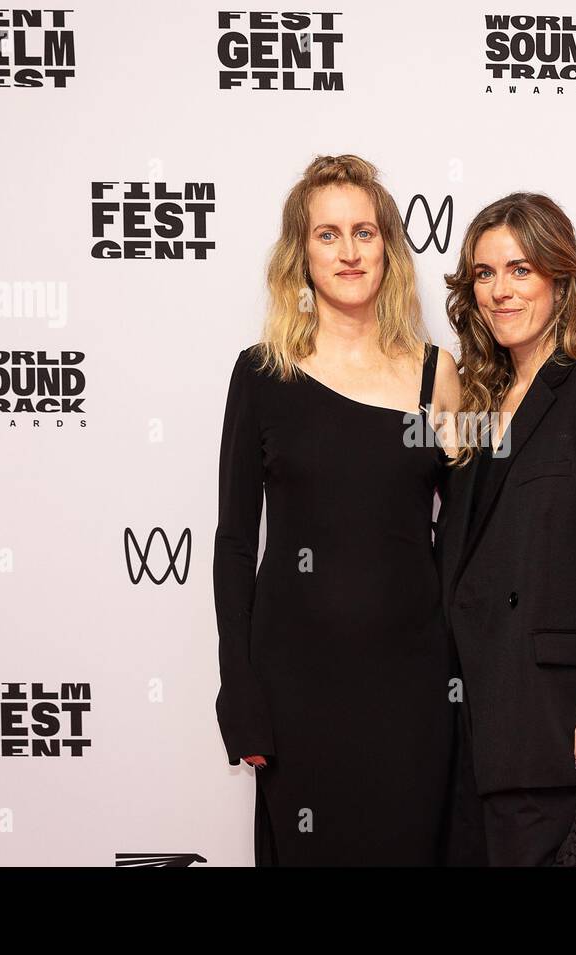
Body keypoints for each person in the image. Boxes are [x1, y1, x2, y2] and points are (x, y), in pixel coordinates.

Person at [212, 154, 464, 865]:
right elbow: (235, 543)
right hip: (297, 691)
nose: (349, 251)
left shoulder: (433, 373)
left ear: (388, 246)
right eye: (328, 235)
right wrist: (241, 688)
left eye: (364, 232)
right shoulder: (263, 374)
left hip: (415, 688)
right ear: (301, 254)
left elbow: (475, 529)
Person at [437, 191, 576, 866]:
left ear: (559, 278)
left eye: (520, 270)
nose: (500, 291)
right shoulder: (474, 409)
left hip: (551, 718)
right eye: (484, 274)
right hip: (466, 721)